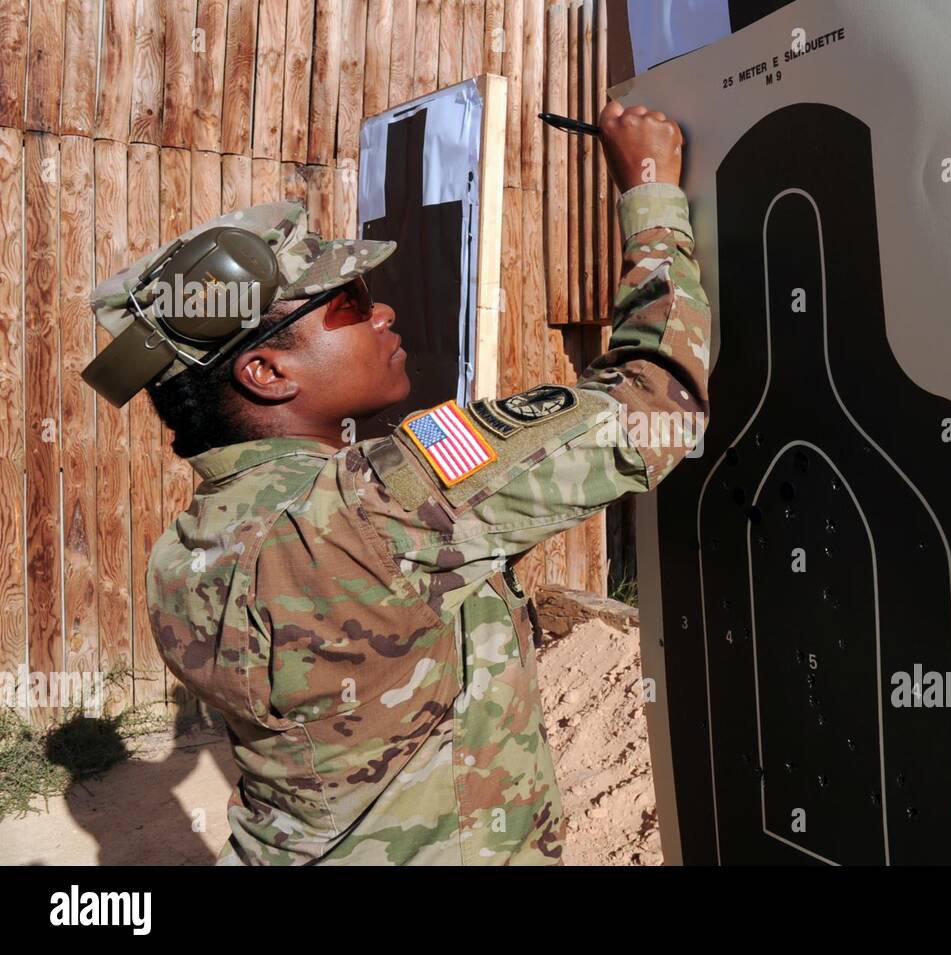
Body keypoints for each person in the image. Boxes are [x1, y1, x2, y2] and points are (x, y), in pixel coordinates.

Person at [82, 101, 708, 864]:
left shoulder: (186, 552)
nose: (381, 311)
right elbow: (655, 405)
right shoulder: (372, 506)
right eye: (344, 303)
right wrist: (649, 192)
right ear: (267, 372)